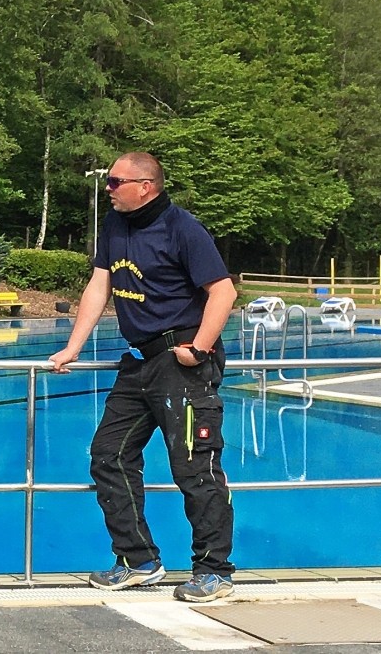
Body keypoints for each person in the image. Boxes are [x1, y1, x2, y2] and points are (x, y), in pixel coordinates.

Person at [49, 151, 239, 601]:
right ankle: (138, 560)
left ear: (145, 186)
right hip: (138, 362)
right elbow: (100, 285)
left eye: (115, 182)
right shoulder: (115, 226)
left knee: (195, 468)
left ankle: (215, 571)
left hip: (183, 363)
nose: (108, 189)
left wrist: (200, 348)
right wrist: (74, 346)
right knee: (108, 454)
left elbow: (223, 291)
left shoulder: (182, 229)